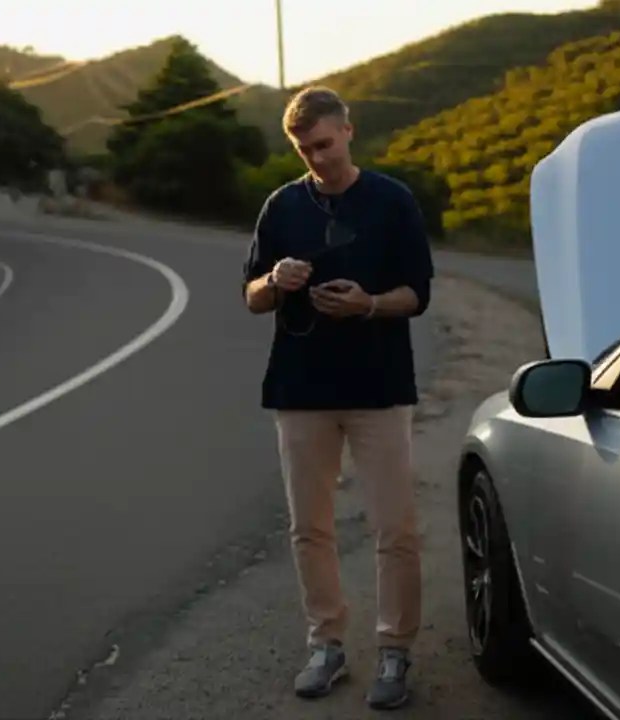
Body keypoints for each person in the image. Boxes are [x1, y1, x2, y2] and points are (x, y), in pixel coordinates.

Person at [240, 86, 434, 710]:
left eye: (324, 144)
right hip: (300, 388)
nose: (316, 159)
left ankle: (395, 652)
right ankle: (326, 645)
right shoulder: (281, 206)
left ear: (348, 131)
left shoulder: (392, 200)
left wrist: (368, 305)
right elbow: (251, 295)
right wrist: (276, 280)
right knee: (309, 528)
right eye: (303, 150)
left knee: (395, 527)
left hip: (378, 388)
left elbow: (417, 294)